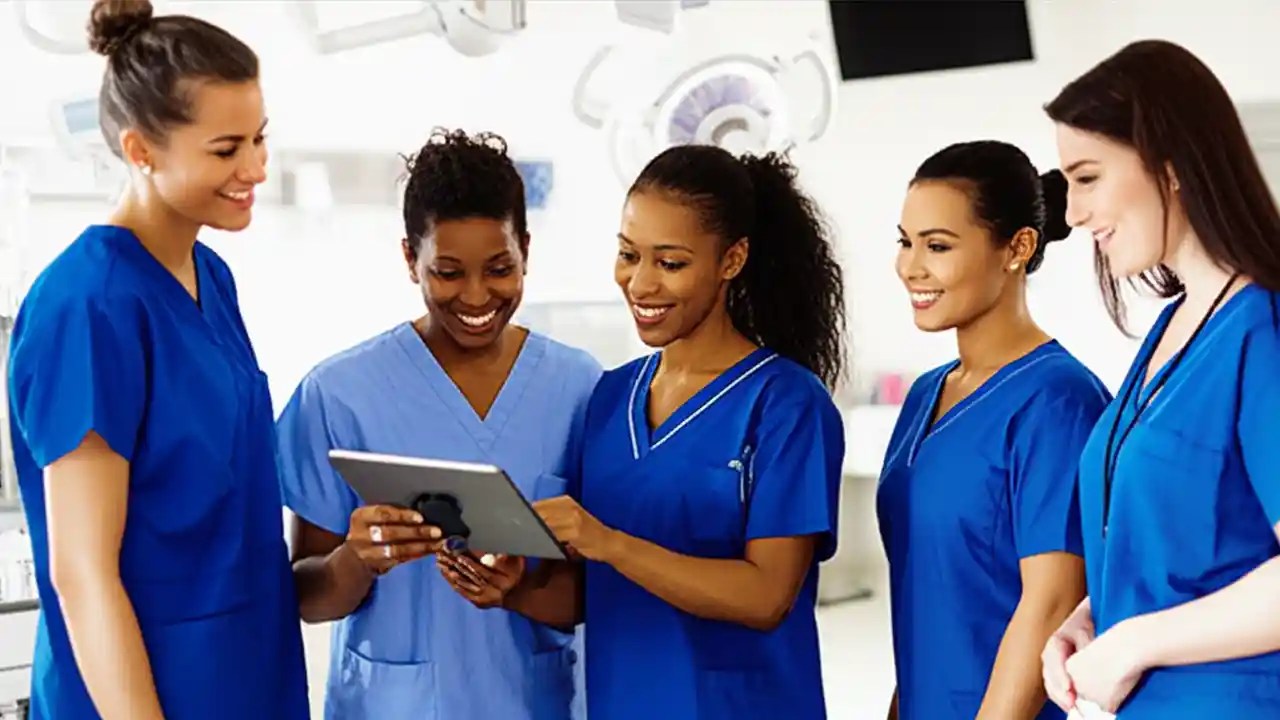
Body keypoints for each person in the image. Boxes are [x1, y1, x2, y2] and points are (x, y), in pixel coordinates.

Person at [438, 144, 848, 719]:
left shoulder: (785, 404)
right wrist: (515, 590)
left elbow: (766, 596)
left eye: (671, 263)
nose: (641, 283)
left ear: (732, 261)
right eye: (629, 254)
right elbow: (599, 594)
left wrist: (608, 542)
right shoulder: (611, 397)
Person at [4, 1, 308, 718]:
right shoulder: (88, 303)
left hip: (247, 672)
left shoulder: (213, 279)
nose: (257, 168)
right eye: (226, 149)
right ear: (141, 151)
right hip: (142, 694)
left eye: (260, 139)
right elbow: (81, 574)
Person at [275, 128, 602, 720]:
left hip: (535, 701)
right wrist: (358, 558)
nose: (477, 295)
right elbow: (307, 594)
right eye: (447, 272)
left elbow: (602, 591)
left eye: (500, 268)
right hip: (391, 705)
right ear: (410, 259)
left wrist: (520, 589)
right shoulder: (340, 393)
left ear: (526, 249)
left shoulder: (581, 389)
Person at [1039, 40, 1280, 719]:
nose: (1073, 213)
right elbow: (1167, 550)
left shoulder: (1261, 329)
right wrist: (1087, 622)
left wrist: (1135, 642)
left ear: (1170, 167)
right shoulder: (1172, 332)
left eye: (1087, 178)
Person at [878, 141, 1111, 720]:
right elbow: (927, 594)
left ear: (1018, 248)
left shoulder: (1057, 400)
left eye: (938, 246)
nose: (912, 266)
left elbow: (1051, 601)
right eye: (905, 242)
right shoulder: (924, 395)